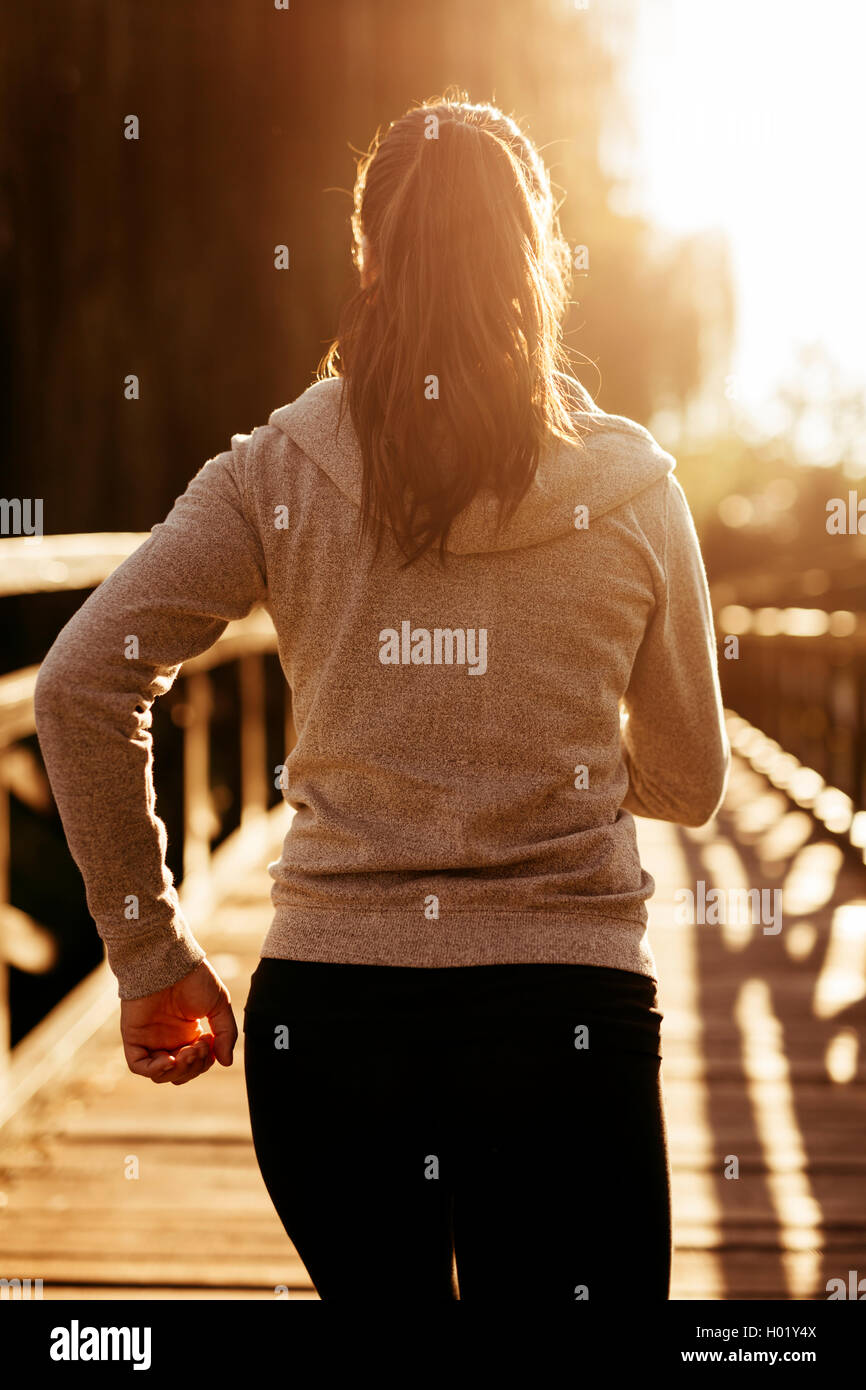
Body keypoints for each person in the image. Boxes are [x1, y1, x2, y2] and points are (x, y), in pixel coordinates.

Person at [34, 93, 730, 1302]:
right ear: (535, 260)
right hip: (563, 1031)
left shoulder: (273, 472)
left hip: (332, 1033)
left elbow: (82, 679)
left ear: (365, 254)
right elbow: (690, 778)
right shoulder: (632, 491)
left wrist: (147, 953)